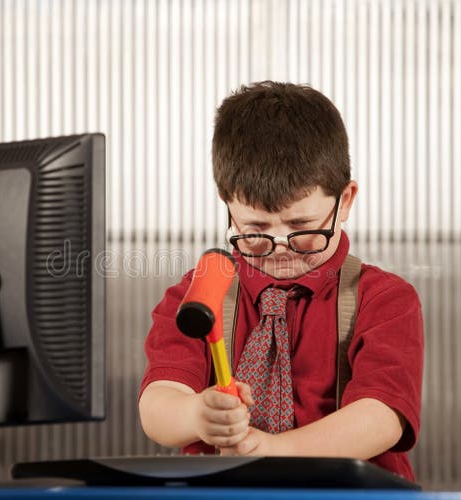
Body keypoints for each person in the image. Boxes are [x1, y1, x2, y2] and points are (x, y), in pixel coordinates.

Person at [138, 81, 424, 480]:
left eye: (301, 227)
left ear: (345, 202)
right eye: (255, 229)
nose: (278, 248)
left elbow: (380, 417)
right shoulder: (200, 294)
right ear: (228, 207)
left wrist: (273, 452)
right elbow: (158, 403)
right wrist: (196, 415)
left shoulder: (384, 299)